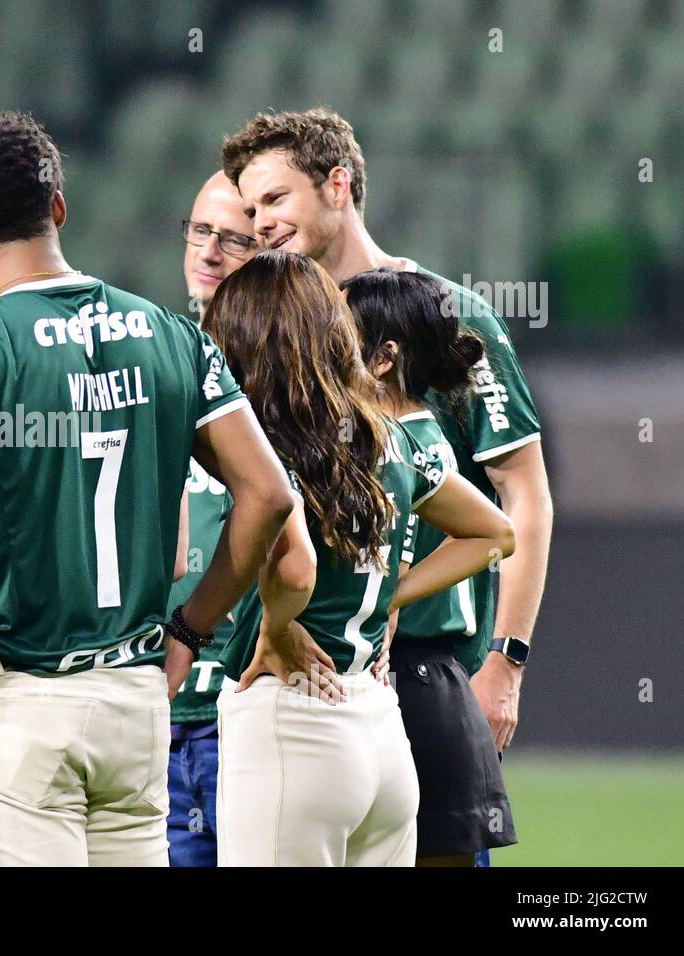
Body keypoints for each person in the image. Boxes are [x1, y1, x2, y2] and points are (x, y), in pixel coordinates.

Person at [0, 110, 295, 866]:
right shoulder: (169, 333)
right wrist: (191, 630)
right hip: (136, 701)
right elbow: (269, 497)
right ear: (57, 208)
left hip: (19, 703)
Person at [222, 108, 552, 862]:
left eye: (275, 200)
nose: (261, 223)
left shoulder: (439, 313)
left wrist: (508, 658)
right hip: (313, 658)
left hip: (421, 665)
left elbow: (522, 498)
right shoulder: (280, 326)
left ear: (338, 185)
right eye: (249, 209)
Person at [207, 251, 516, 866]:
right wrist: (392, 597)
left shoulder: (269, 445)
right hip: (377, 726)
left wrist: (276, 624)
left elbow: (296, 570)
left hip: (293, 717)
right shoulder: (389, 435)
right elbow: (495, 532)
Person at [342, 268, 522, 864]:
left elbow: (499, 535)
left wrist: (389, 595)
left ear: (384, 359)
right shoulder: (422, 434)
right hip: (431, 689)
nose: (326, 347)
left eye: (340, 332)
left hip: (409, 686)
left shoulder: (392, 444)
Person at [164, 171, 258, 867]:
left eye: (235, 238)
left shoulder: (292, 379)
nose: (210, 251)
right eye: (201, 230)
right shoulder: (150, 358)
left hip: (250, 712)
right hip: (154, 713)